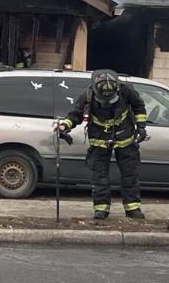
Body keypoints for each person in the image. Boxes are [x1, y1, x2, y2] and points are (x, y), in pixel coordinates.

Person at [58, 68, 148, 219]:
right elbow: (76, 114)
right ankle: (101, 209)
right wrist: (64, 126)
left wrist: (141, 127)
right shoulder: (88, 94)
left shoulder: (126, 91)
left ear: (117, 89)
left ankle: (133, 209)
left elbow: (139, 107)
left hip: (124, 137)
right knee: (100, 176)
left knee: (130, 174)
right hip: (99, 138)